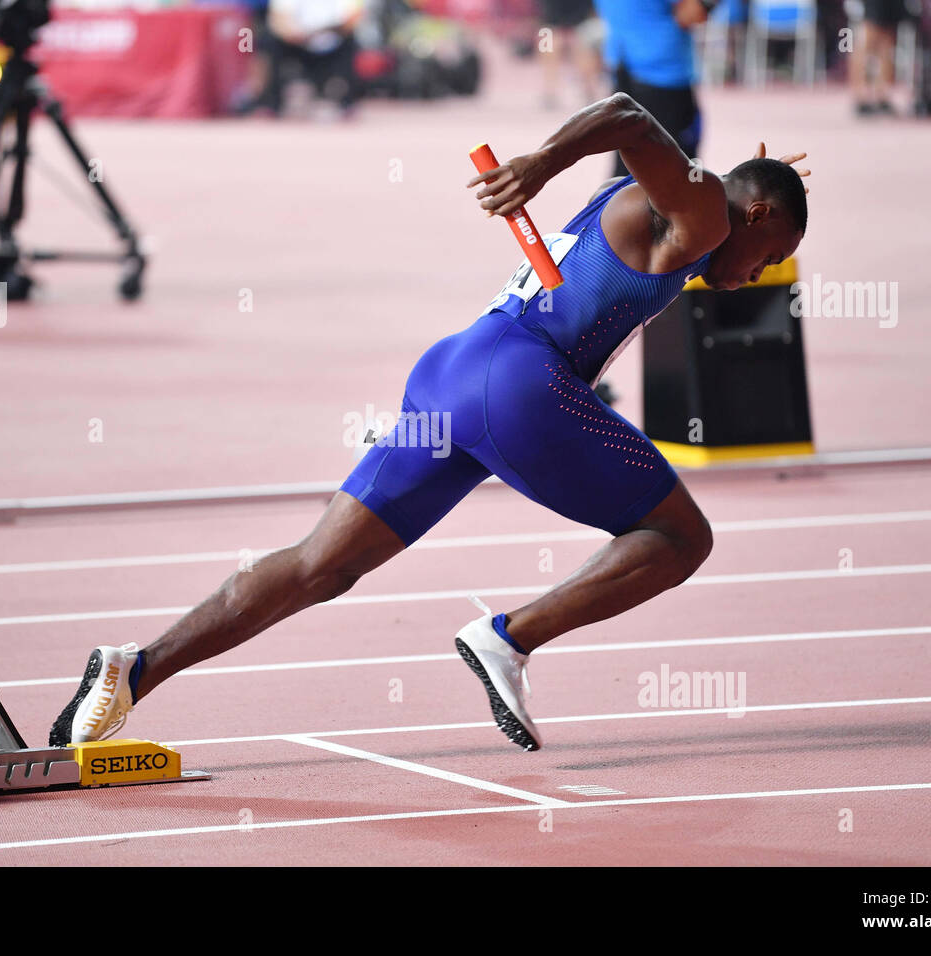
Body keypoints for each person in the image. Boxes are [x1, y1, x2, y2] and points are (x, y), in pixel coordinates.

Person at [49, 93, 809, 753]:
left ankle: (133, 670)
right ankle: (508, 640)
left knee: (321, 566)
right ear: (759, 214)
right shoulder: (707, 211)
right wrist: (538, 165)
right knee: (683, 538)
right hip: (519, 381)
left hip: (452, 372)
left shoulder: (684, 204)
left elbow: (640, 144)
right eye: (771, 254)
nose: (756, 275)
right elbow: (627, 115)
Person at [594, 0, 712, 177]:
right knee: (679, 167)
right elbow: (691, 14)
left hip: (623, 62)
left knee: (627, 161)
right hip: (663, 72)